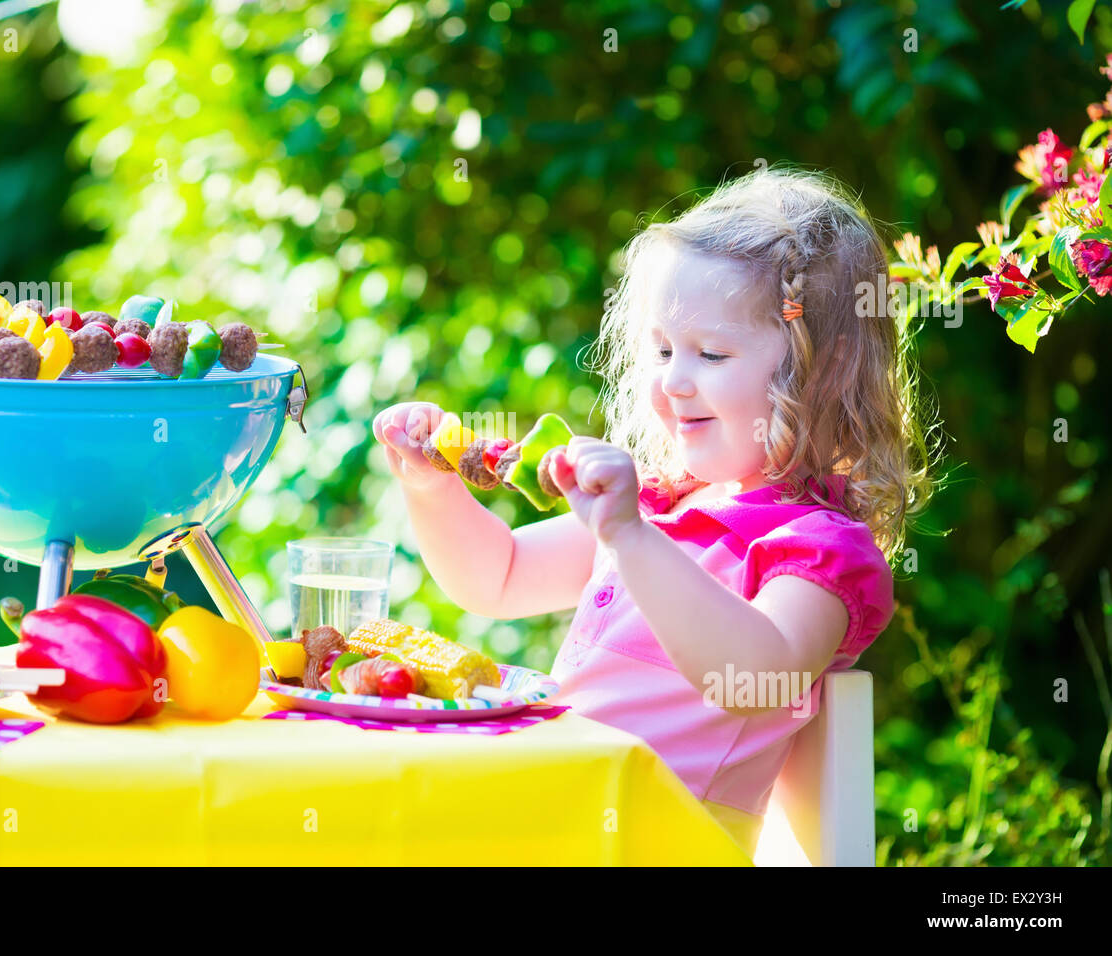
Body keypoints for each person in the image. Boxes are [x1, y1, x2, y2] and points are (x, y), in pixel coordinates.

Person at [372, 166, 938, 858]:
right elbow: (500, 576)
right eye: (663, 348)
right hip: (554, 823)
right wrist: (432, 490)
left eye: (711, 352)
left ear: (820, 371)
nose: (672, 379)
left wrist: (631, 540)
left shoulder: (818, 547)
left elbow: (761, 676)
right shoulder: (658, 507)